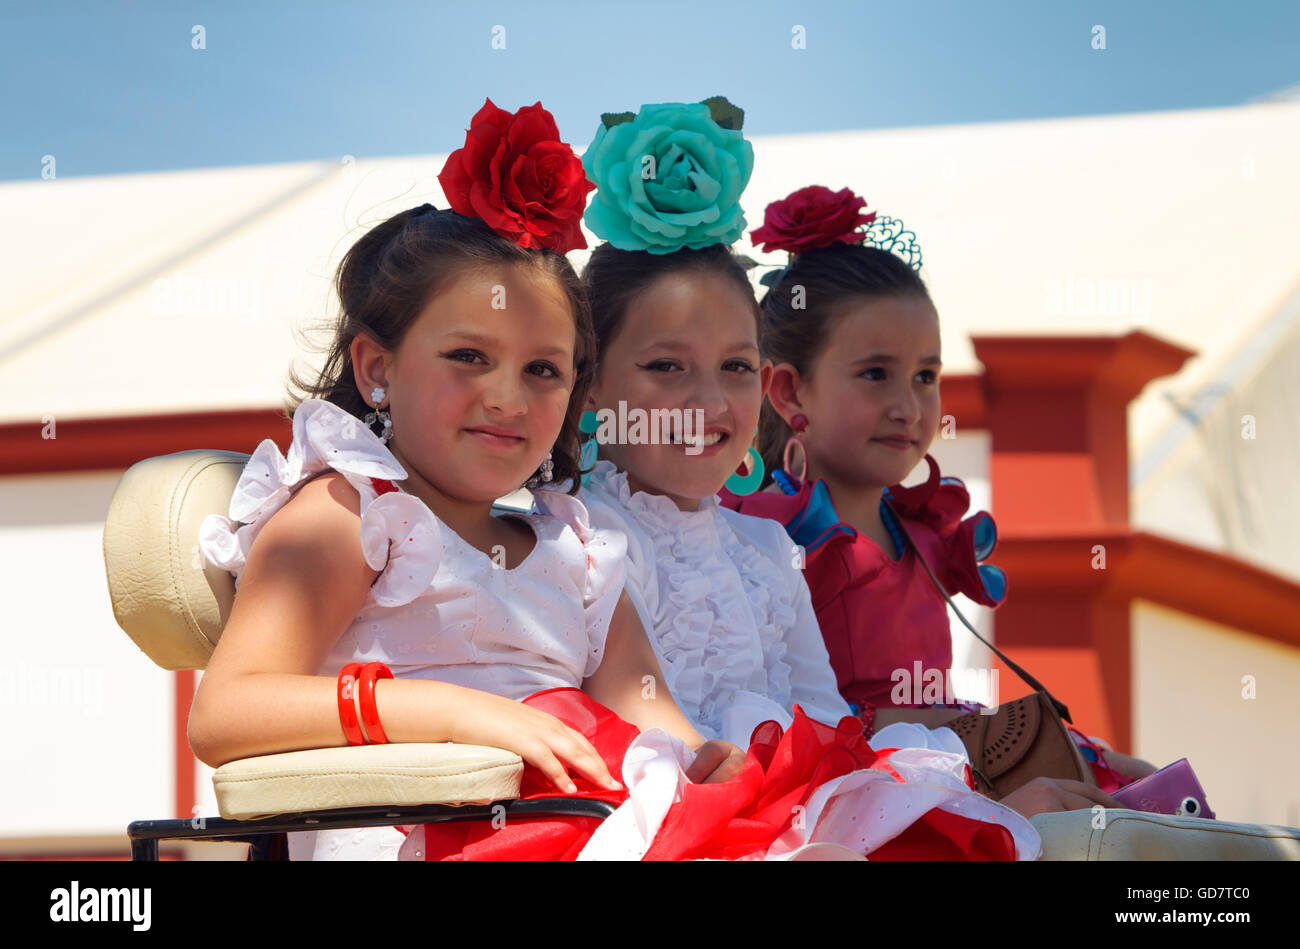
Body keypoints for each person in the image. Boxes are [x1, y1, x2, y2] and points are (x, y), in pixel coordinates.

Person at [189, 100, 746, 862]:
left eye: (542, 369)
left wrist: (720, 767)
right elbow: (225, 712)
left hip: (578, 827)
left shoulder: (575, 553)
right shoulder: (352, 511)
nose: (508, 398)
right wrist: (462, 716)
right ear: (377, 369)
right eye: (469, 357)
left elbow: (657, 722)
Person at [575, 99, 1089, 852]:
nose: (710, 402)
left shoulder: (764, 552)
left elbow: (832, 727)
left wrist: (955, 786)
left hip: (795, 816)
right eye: (665, 367)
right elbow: (650, 749)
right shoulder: (578, 535)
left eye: (736, 367)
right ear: (589, 381)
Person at [720, 183, 1156, 792]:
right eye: (876, 374)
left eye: (926, 375)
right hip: (855, 789)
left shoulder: (923, 531)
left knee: (1143, 785)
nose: (908, 405)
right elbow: (767, 708)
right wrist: (934, 727)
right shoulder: (774, 540)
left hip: (953, 756)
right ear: (792, 391)